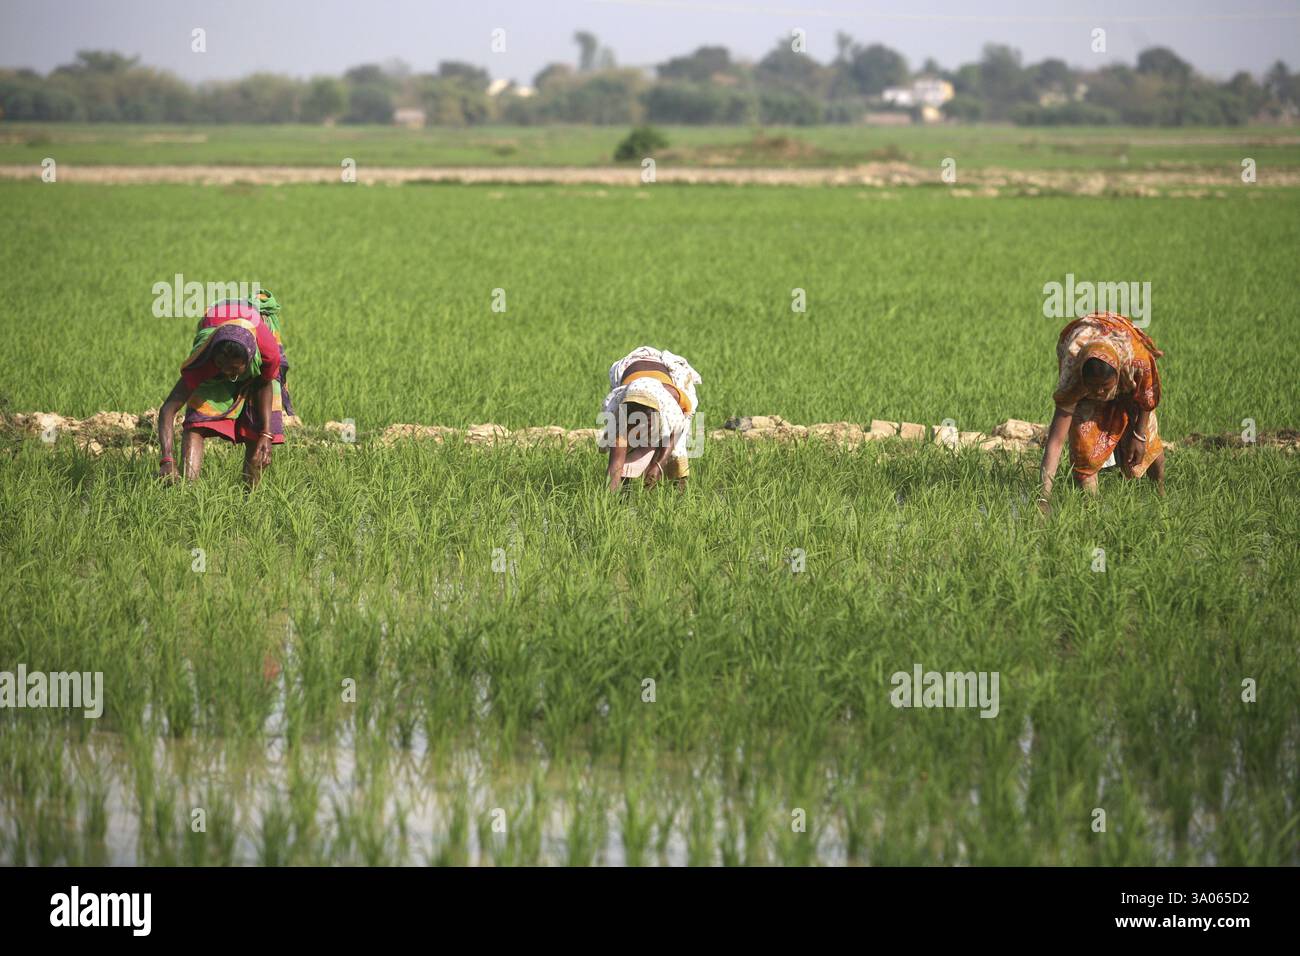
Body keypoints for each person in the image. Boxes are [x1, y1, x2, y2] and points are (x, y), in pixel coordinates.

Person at [157, 290, 292, 487]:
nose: (228, 372)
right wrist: (167, 460)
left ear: (249, 361)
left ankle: (250, 497)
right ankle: (187, 490)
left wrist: (266, 434)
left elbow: (264, 384)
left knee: (256, 426)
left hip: (255, 331)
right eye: (222, 365)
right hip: (216, 324)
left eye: (234, 369)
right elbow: (168, 409)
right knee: (196, 422)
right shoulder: (205, 360)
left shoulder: (267, 355)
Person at [1039, 311, 1165, 505]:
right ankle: (1093, 507)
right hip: (1086, 383)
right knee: (1084, 449)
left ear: (1117, 375)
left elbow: (1147, 399)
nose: (1099, 392)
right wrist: (1044, 497)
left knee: (1149, 444)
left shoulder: (1136, 360)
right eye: (1094, 386)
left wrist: (1139, 435)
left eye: (1104, 387)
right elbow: (1056, 441)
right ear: (1084, 379)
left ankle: (1161, 494)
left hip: (1129, 384)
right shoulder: (1073, 377)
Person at [600, 346, 702, 492]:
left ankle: (680, 491)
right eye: (636, 425)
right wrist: (608, 501)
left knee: (678, 448)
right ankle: (624, 493)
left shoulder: (670, 406)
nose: (640, 429)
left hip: (672, 384)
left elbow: (678, 430)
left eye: (646, 425)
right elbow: (614, 466)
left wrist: (658, 464)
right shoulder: (617, 411)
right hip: (628, 368)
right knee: (624, 446)